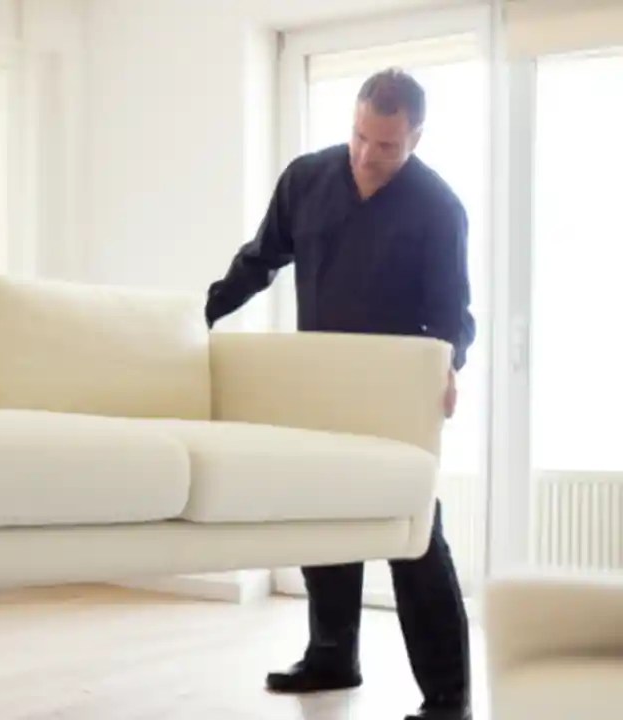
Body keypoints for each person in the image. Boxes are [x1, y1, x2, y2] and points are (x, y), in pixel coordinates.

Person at [204, 68, 474, 720]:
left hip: (394, 393)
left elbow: (452, 313)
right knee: (324, 518)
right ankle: (332, 655)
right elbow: (260, 259)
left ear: (416, 138)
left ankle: (448, 697)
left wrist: (448, 366)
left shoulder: (438, 208)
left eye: (385, 145)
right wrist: (201, 314)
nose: (365, 154)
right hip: (318, 381)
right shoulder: (306, 180)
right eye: (358, 136)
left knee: (412, 536)